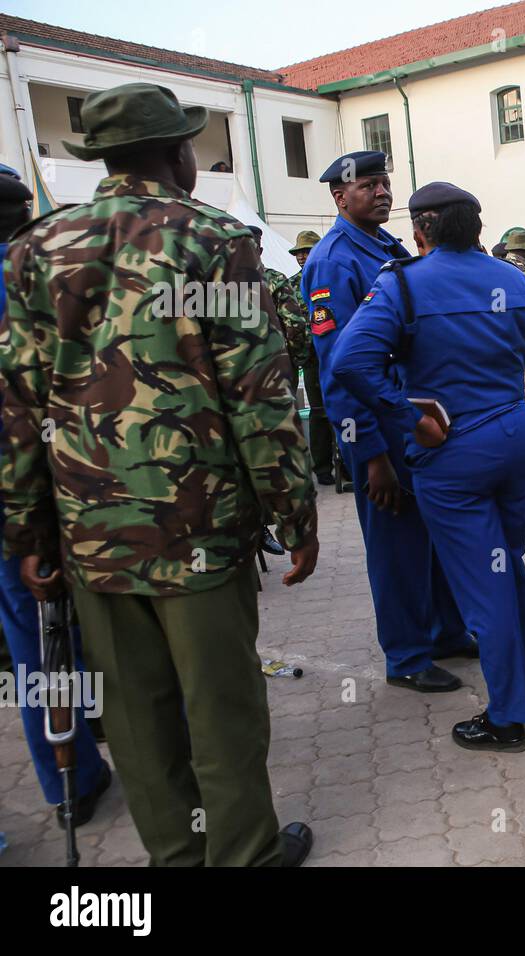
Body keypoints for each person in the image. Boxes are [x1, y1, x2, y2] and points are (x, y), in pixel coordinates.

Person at [0, 83, 317, 866]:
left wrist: (25, 532)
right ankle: (241, 853)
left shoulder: (37, 249)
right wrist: (295, 516)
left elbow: (16, 404)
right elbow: (260, 398)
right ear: (179, 154)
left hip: (90, 537)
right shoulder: (215, 240)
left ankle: (175, 855)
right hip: (199, 526)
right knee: (222, 709)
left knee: (137, 717)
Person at [332, 182, 525, 752]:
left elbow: (351, 360)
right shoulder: (515, 279)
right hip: (515, 432)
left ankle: (508, 716)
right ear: (477, 230)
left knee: (486, 585)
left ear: (421, 231)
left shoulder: (402, 282)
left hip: (455, 449)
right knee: (507, 561)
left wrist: (409, 416)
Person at [302, 152, 474, 690]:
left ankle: (445, 632)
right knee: (396, 546)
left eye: (385, 184)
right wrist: (371, 456)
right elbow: (340, 369)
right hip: (381, 432)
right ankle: (406, 657)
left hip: (413, 421)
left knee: (433, 535)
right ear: (339, 196)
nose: (382, 193)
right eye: (370, 186)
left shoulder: (385, 247)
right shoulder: (334, 260)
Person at [0, 165, 113, 829]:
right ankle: (161, 760)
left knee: (32, 643)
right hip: (75, 481)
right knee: (119, 627)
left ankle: (67, 782)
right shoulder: (46, 275)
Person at [248, 224, 300, 557]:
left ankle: (264, 526)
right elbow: (295, 329)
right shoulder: (273, 280)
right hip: (266, 380)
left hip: (250, 382)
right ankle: (279, 523)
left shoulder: (213, 283)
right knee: (277, 448)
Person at [289, 229, 340, 486]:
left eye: (306, 251)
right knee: (318, 413)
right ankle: (322, 467)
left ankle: (348, 464)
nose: (302, 256)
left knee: (342, 407)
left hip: (333, 353)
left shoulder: (331, 277)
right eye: (299, 252)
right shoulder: (291, 284)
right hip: (311, 357)